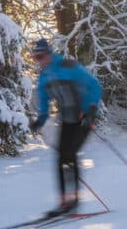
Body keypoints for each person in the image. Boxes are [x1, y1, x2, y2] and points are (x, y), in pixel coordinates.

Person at [28, 38, 103, 216]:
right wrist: (41, 119)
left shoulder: (69, 67)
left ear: (49, 53)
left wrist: (91, 110)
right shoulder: (44, 76)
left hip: (84, 117)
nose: (38, 61)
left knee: (70, 154)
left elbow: (95, 86)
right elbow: (44, 101)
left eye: (41, 56)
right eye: (35, 58)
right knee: (61, 158)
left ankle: (74, 202)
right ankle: (64, 203)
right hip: (68, 120)